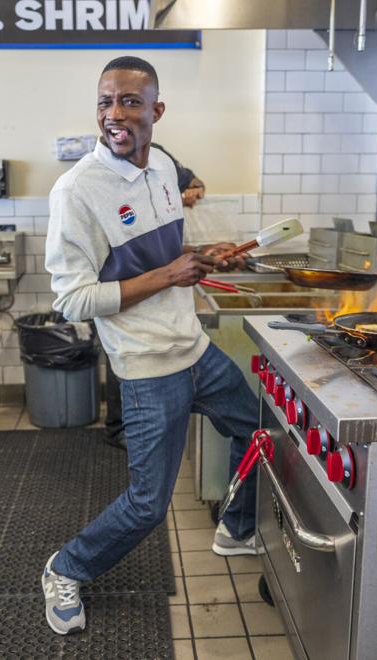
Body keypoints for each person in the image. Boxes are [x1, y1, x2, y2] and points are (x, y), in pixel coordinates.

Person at [42, 56, 261, 635]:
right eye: (105, 102)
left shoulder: (162, 167)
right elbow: (73, 301)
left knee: (260, 429)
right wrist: (169, 276)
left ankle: (235, 526)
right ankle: (65, 568)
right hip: (146, 369)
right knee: (146, 506)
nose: (115, 115)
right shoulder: (76, 192)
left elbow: (164, 250)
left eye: (130, 102)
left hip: (195, 351)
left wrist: (204, 258)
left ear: (156, 111)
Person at [100, 143, 211, 448]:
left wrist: (192, 190)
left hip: (155, 278)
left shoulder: (161, 160)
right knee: (120, 356)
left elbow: (194, 182)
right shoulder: (101, 178)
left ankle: (139, 427)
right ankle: (118, 428)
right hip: (122, 280)